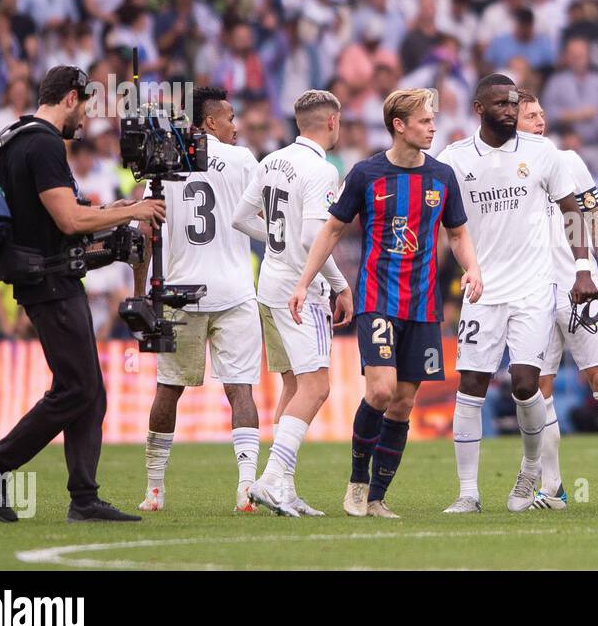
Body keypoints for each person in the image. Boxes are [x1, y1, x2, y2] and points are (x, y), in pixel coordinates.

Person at [0, 65, 166, 524]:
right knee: (77, 388)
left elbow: (58, 214)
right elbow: (69, 222)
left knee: (89, 392)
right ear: (71, 97)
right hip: (49, 282)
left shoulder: (17, 137)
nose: (85, 120)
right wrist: (132, 209)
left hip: (48, 278)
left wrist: (111, 210)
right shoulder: (44, 143)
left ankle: (84, 499)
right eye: (87, 105)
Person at [290, 89, 482, 519]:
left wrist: (473, 268)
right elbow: (332, 230)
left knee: (402, 402)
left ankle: (377, 497)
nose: (433, 126)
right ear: (399, 125)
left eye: (433, 119)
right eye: (425, 120)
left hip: (424, 305)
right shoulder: (366, 174)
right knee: (379, 390)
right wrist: (305, 282)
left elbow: (457, 233)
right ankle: (358, 482)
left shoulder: (442, 177)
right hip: (378, 299)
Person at [435, 74, 597, 514]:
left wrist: (583, 269)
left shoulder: (543, 153)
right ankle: (467, 491)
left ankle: (529, 472)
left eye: (513, 104)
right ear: (478, 109)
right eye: (501, 104)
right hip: (482, 288)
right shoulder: (453, 159)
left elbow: (575, 212)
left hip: (532, 288)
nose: (509, 110)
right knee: (471, 385)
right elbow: (445, 223)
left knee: (527, 385)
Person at [131, 86, 264, 514]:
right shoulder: (243, 161)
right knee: (240, 390)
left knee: (167, 390)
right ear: (209, 122)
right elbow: (263, 217)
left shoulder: (163, 166)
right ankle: (246, 489)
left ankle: (154, 490)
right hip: (235, 292)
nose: (235, 125)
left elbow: (144, 237)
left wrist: (141, 295)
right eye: (229, 118)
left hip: (178, 292)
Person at [515, 88, 598, 511]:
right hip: (529, 294)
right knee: (537, 390)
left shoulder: (568, 161)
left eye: (541, 113)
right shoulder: (504, 172)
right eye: (530, 115)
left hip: (578, 287)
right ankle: (553, 488)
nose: (539, 121)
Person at [235, 89, 354, 517]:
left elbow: (240, 217)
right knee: (317, 386)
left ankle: (282, 486)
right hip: (300, 292)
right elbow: (311, 238)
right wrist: (339, 283)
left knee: (293, 384)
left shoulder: (272, 160)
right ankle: (270, 481)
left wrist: (278, 244)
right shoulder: (322, 170)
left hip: (269, 283)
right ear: (331, 123)